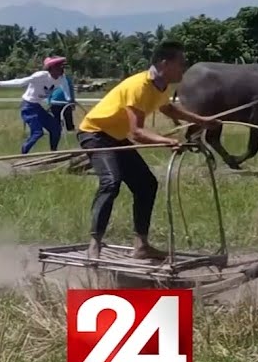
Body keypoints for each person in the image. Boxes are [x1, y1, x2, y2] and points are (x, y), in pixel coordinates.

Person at [76, 41, 221, 260]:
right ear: (165, 64)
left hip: (115, 137)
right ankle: (94, 244)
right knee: (111, 182)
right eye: (181, 63)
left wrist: (203, 121)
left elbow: (168, 108)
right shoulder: (139, 86)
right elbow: (137, 133)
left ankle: (141, 245)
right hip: (95, 134)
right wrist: (166, 141)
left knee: (146, 184)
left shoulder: (161, 86)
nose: (184, 68)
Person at [0, 56, 74, 154]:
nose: (62, 70)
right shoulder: (40, 76)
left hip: (37, 107)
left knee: (55, 128)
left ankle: (53, 152)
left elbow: (65, 88)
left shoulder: (61, 78)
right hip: (28, 106)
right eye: (59, 67)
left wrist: (69, 100)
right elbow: (21, 82)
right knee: (37, 132)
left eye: (62, 67)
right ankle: (23, 154)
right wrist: (0, 83)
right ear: (51, 68)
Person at [49, 67, 76, 135]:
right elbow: (49, 91)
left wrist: (72, 101)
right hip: (55, 103)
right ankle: (57, 130)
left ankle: (70, 130)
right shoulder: (52, 80)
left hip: (66, 103)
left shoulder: (67, 80)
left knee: (68, 118)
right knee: (56, 119)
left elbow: (71, 91)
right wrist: (48, 101)